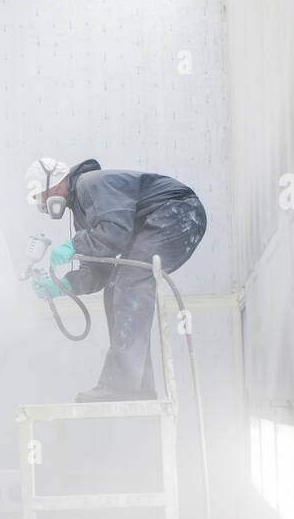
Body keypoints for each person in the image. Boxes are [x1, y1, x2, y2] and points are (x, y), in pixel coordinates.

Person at [26, 157, 207, 403]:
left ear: (56, 183)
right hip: (160, 222)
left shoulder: (90, 185)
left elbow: (115, 233)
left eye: (43, 195)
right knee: (114, 288)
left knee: (130, 281)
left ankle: (122, 384)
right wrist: (62, 286)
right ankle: (138, 385)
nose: (45, 205)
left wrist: (73, 245)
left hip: (178, 213)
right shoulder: (81, 213)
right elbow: (99, 271)